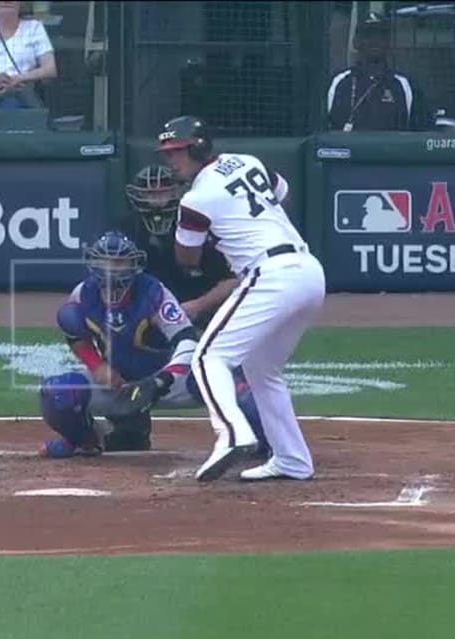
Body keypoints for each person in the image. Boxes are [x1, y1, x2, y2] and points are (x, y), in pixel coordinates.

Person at [158, 115, 325, 483]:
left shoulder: (197, 198)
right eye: (168, 154)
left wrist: (217, 234)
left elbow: (186, 258)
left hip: (271, 275)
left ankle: (232, 433)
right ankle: (292, 459)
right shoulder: (248, 161)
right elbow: (280, 192)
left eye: (178, 152)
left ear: (199, 147)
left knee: (206, 358)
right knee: (261, 369)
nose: (172, 161)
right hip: (309, 272)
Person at [38, 231, 267, 459]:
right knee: (58, 392)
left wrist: (160, 381)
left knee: (236, 387)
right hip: (123, 383)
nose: (112, 269)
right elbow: (74, 334)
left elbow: (186, 340)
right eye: (105, 262)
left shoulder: (154, 293)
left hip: (172, 381)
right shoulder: (83, 294)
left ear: (134, 265)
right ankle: (86, 442)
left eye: (119, 263)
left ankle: (266, 447)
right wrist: (97, 366)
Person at [123, 165, 236, 329]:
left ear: (175, 191)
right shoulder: (126, 227)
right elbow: (110, 276)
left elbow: (231, 281)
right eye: (150, 193)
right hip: (144, 315)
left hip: (198, 314)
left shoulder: (196, 222)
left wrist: (198, 306)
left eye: (162, 192)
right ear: (138, 194)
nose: (157, 198)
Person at [324, 11, 429, 131]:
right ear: (356, 42)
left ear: (388, 42)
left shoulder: (405, 86)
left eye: (380, 35)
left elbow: (422, 134)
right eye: (368, 35)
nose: (375, 41)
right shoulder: (338, 83)